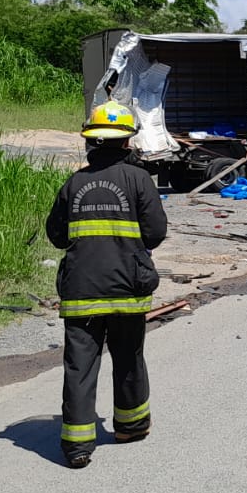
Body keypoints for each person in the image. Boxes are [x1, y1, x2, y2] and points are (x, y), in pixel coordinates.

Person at [46, 100, 169, 469]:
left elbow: (56, 235)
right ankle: (130, 425)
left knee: (80, 365)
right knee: (128, 357)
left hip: (81, 291)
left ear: (92, 142)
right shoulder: (139, 181)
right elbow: (156, 232)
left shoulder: (74, 183)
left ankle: (78, 446)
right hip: (127, 289)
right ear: (127, 142)